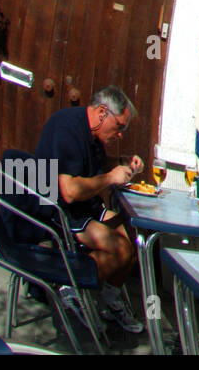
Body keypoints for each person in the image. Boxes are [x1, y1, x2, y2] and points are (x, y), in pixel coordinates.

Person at [31, 86, 145, 333]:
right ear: (102, 113)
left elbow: (96, 168)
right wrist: (110, 178)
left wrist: (124, 164)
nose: (121, 134)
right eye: (120, 127)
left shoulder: (92, 134)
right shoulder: (68, 129)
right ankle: (69, 284)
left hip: (86, 209)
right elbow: (69, 192)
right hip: (57, 212)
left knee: (137, 237)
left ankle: (110, 300)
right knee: (120, 249)